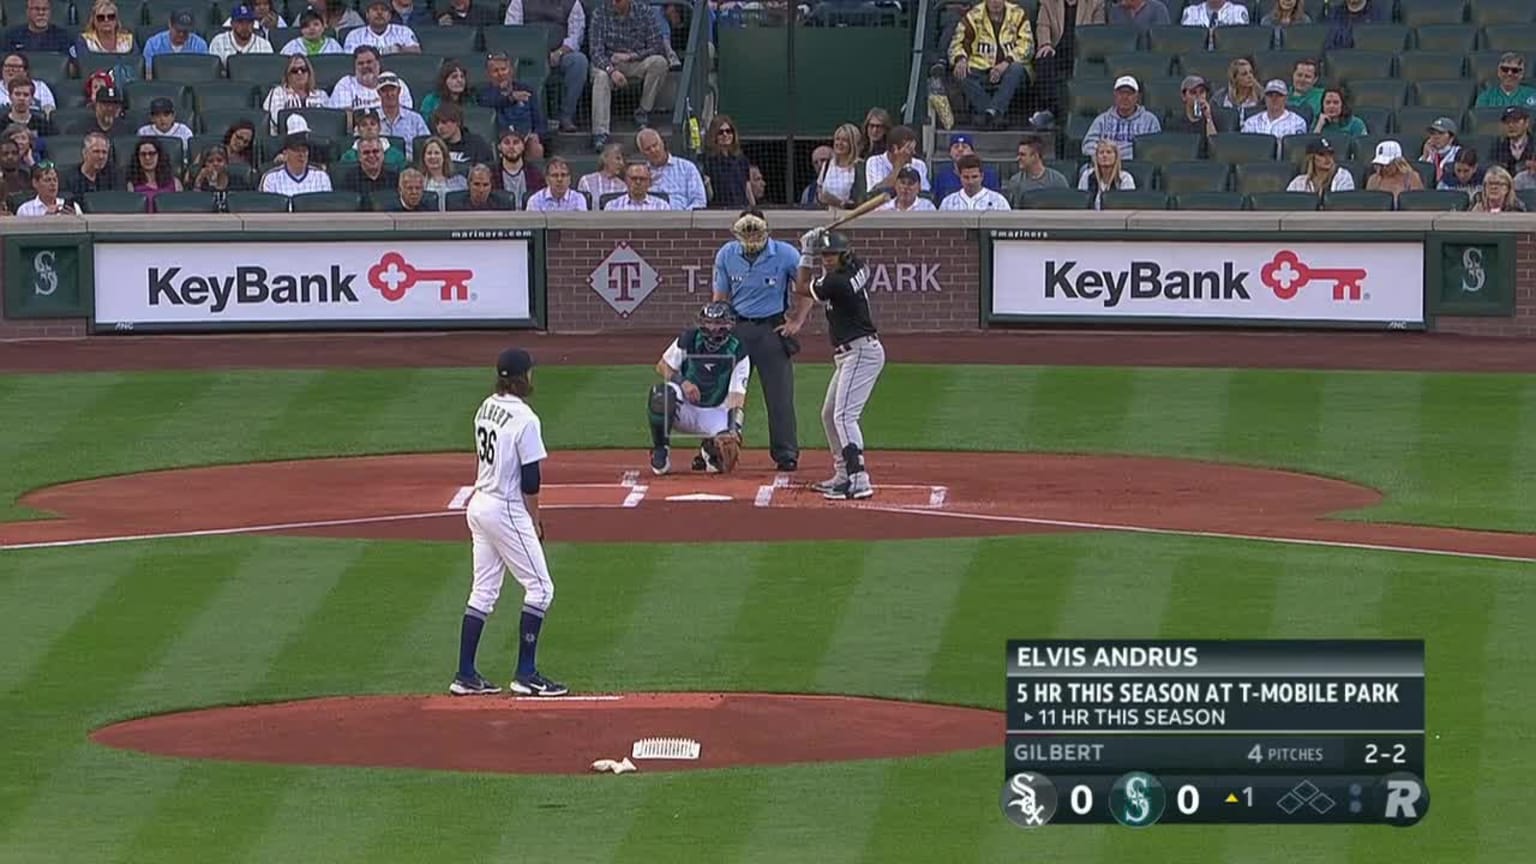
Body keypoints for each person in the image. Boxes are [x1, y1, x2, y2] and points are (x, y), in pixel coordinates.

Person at [452, 347, 567, 698]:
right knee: (541, 588)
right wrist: (534, 520)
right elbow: (531, 479)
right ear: (523, 378)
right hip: (505, 508)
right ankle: (526, 673)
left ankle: (465, 674)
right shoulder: (526, 419)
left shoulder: (486, 406)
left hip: (479, 504)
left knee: (483, 592)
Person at [785, 228, 883, 501]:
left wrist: (806, 250)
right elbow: (857, 262)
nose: (827, 259)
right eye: (824, 254)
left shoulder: (836, 283)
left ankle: (858, 479)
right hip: (851, 352)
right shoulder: (858, 267)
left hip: (860, 351)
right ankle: (842, 474)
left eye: (833, 255)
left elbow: (800, 287)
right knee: (829, 415)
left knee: (844, 416)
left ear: (844, 255)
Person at [711, 209, 804, 471]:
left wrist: (796, 321)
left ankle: (786, 453)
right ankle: (713, 452)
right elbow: (720, 296)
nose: (751, 237)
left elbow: (806, 288)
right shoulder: (727, 254)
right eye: (746, 231)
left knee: (779, 396)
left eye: (755, 231)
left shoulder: (786, 254)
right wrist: (717, 330)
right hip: (737, 327)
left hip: (771, 329)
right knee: (723, 393)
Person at [646, 301, 752, 475]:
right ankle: (660, 449)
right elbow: (663, 365)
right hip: (684, 408)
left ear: (729, 325)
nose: (712, 328)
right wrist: (683, 382)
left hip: (715, 412)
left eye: (718, 323)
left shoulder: (739, 350)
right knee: (661, 395)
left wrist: (734, 430)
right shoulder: (689, 338)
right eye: (709, 322)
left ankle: (709, 451)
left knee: (723, 460)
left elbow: (736, 397)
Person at [588, 0, 670, 150]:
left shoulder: (644, 12)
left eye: (618, 0)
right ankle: (600, 133)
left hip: (635, 61)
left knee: (659, 62)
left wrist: (632, 56)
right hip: (608, 63)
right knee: (600, 76)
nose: (613, 3)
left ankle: (643, 111)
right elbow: (595, 52)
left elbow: (657, 46)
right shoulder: (599, 14)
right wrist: (611, 70)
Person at [504, 0, 590, 134]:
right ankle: (531, 120)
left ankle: (565, 116)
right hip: (528, 56)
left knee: (579, 61)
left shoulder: (572, 3)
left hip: (559, 55)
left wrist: (560, 52)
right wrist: (533, 53)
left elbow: (576, 36)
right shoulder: (519, 2)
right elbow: (511, 31)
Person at [949, 0, 1033, 128]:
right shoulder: (973, 16)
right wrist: (960, 59)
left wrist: (1006, 63)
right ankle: (993, 114)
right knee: (961, 72)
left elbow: (1027, 45)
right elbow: (956, 43)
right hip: (981, 69)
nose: (995, 2)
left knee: (1017, 69)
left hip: (1010, 70)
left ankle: (989, 113)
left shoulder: (1017, 14)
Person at [1033, 0, 1107, 119]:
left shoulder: (1095, 3)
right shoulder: (1048, 3)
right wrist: (1045, 44)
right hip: (1057, 51)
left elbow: (1097, 32)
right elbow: (1042, 26)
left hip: (1081, 53)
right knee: (1043, 60)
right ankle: (1051, 108)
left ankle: (1053, 113)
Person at [479, 52, 546, 161]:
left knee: (535, 145)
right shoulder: (485, 94)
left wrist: (536, 135)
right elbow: (490, 101)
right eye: (495, 71)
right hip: (499, 142)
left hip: (525, 141)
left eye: (503, 69)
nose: (500, 74)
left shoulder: (526, 90)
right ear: (488, 74)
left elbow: (539, 121)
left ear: (511, 70)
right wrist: (511, 98)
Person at [1081, 76, 1161, 160]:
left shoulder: (1150, 121)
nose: (1125, 97)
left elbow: (1154, 149)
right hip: (1107, 165)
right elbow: (1088, 145)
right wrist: (1105, 156)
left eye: (1129, 93)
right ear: (1115, 95)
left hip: (1136, 166)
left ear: (1137, 96)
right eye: (1121, 93)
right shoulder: (1102, 120)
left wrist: (1117, 154)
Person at [636, 127, 705, 209]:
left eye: (655, 145)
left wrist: (684, 217)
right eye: (648, 149)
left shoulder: (687, 168)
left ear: (662, 143)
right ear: (642, 153)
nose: (653, 150)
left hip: (682, 217)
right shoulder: (640, 175)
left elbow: (699, 201)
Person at [264, 54, 330, 134]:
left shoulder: (321, 96)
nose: (299, 73)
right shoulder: (277, 93)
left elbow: (328, 123)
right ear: (288, 75)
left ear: (309, 73)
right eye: (294, 70)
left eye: (303, 69)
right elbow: (275, 120)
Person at [1241, 79, 1307, 153]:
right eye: (1270, 95)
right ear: (1265, 98)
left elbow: (1297, 152)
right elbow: (1245, 150)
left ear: (1286, 98)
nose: (1274, 99)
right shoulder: (1251, 122)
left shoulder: (1298, 123)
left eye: (1279, 95)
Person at [700, 113, 751, 207]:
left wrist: (753, 207)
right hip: (719, 210)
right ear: (714, 135)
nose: (725, 135)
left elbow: (747, 188)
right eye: (720, 132)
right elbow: (709, 193)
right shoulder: (709, 160)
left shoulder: (741, 159)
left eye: (728, 131)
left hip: (741, 207)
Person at [142, 9, 210, 78]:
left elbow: (204, 73)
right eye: (178, 30)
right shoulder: (153, 44)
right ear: (170, 24)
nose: (181, 34)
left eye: (185, 31)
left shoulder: (199, 45)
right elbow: (148, 74)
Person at [931, 133, 1000, 200]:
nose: (960, 150)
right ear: (950, 152)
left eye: (964, 146)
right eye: (956, 146)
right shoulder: (942, 176)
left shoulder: (989, 176)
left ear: (972, 151)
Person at [1004, 134, 1068, 206]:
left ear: (1035, 156)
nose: (1018, 158)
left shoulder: (1057, 180)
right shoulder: (1015, 181)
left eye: (1022, 155)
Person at [260, 131, 332, 195]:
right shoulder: (271, 178)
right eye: (296, 150)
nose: (301, 155)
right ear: (285, 154)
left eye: (304, 150)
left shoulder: (321, 177)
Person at [866, 124, 930, 192]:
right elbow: (876, 192)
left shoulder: (920, 165)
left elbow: (924, 193)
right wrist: (898, 166)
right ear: (895, 149)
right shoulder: (875, 162)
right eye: (909, 149)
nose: (914, 153)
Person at [344, 0, 421, 54]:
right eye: (375, 9)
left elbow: (417, 51)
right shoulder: (354, 35)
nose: (379, 13)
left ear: (390, 15)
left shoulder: (404, 31)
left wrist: (400, 49)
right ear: (367, 14)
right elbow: (349, 59)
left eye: (384, 9)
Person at [816, 123, 862, 209]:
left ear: (852, 143)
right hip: (827, 215)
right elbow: (819, 191)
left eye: (844, 140)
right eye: (837, 139)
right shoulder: (827, 165)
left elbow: (861, 200)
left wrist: (838, 203)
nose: (839, 143)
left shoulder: (859, 168)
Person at [125, 136, 180, 209]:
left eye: (151, 153)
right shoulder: (131, 185)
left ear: (159, 155)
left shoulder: (175, 183)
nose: (147, 158)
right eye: (143, 154)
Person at [940, 153, 1011, 210]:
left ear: (982, 176)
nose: (970, 182)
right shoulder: (948, 202)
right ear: (959, 176)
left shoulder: (998, 201)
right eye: (966, 177)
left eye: (974, 177)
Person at [1078, 138, 1134, 208]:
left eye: (1109, 152)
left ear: (1116, 156)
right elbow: (1081, 201)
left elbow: (1127, 205)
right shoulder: (1087, 176)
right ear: (1096, 157)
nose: (1105, 155)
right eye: (1101, 152)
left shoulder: (1125, 178)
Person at [1286, 138, 1353, 195]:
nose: (1327, 158)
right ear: (1311, 158)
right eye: (1321, 154)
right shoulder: (1299, 183)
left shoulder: (1342, 177)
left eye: (1330, 154)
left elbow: (1346, 204)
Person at [493, 128, 543, 205]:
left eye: (516, 142)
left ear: (523, 146)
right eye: (507, 143)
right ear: (499, 147)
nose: (511, 147)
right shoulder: (491, 174)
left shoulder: (535, 174)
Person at [4, 0, 73, 53]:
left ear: (50, 12)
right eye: (36, 9)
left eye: (45, 9)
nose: (41, 13)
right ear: (28, 12)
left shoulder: (63, 37)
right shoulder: (12, 36)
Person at [209, 6, 275, 61]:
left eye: (248, 22)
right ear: (232, 24)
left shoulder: (264, 45)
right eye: (240, 22)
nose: (245, 26)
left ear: (253, 24)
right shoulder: (218, 42)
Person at [63, 132, 117, 197]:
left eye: (104, 152)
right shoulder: (69, 179)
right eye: (96, 151)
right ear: (84, 153)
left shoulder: (113, 176)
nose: (101, 156)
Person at [418, 135, 466, 207]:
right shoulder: (417, 182)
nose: (433, 156)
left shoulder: (460, 181)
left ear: (444, 156)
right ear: (423, 157)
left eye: (437, 153)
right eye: (429, 153)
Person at [602, 159, 668, 209]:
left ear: (649, 182)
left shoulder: (662, 206)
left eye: (642, 179)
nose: (638, 182)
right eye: (634, 178)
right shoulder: (612, 206)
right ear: (626, 181)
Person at [1214, 57, 1260, 124]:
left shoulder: (1261, 98)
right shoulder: (1221, 99)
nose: (1250, 76)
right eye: (1244, 74)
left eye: (1251, 72)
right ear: (1235, 78)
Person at [1420, 117, 1461, 188]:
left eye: (1441, 133)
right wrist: (1425, 155)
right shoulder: (1429, 154)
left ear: (1451, 138)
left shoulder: (1459, 154)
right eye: (1433, 133)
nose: (1436, 137)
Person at [1491, 106, 1532, 172]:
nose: (1511, 125)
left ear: (1526, 122)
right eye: (1507, 122)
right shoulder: (1498, 147)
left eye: (1515, 121)